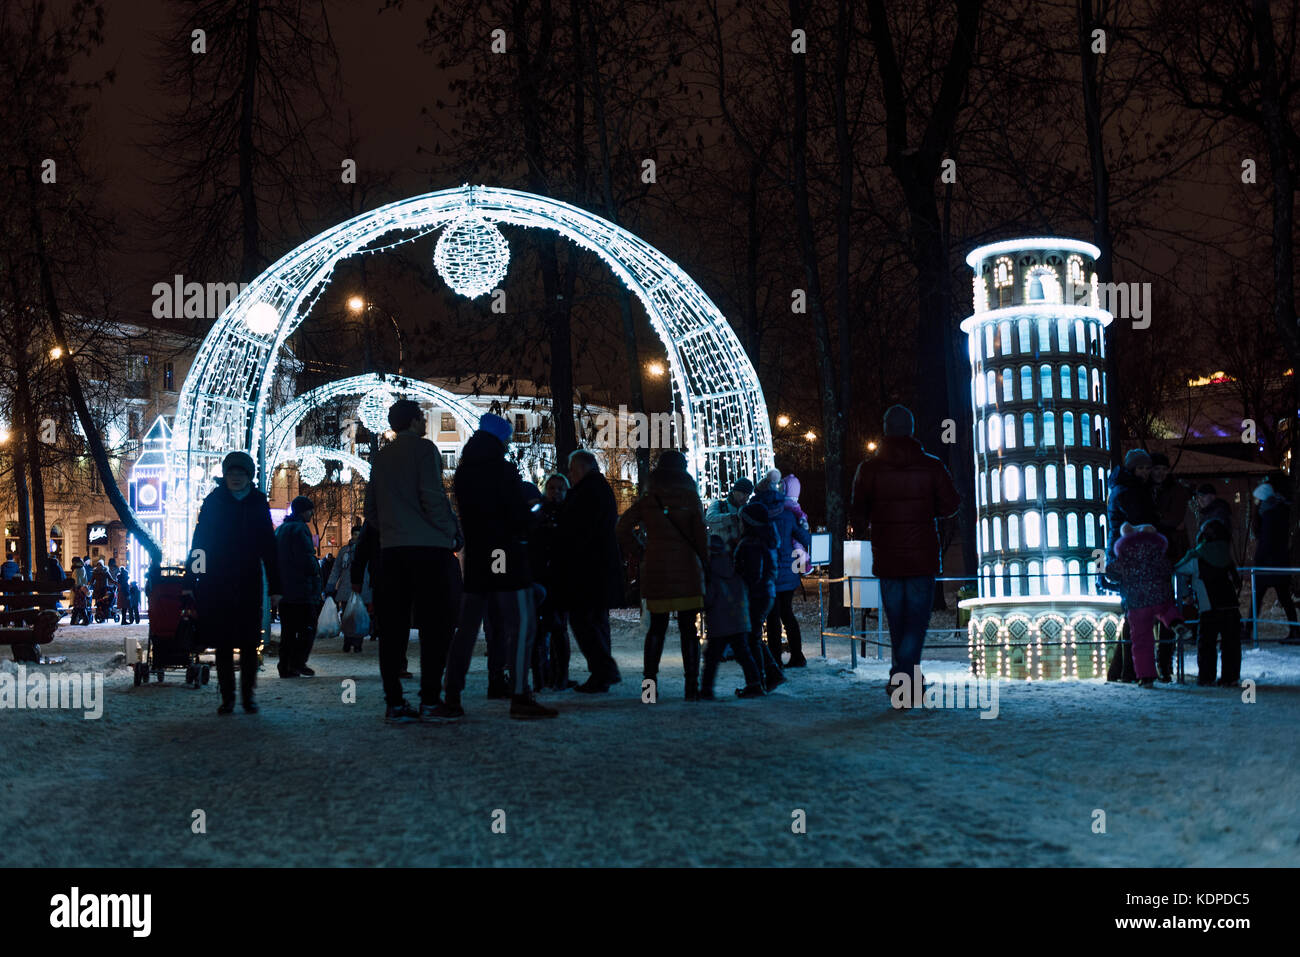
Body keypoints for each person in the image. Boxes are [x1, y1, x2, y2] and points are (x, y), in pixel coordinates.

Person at [443, 413, 556, 720]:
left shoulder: (465, 472)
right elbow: (516, 514)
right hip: (505, 554)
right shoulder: (502, 470)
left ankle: (451, 694)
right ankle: (520, 694)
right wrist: (533, 517)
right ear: (500, 439)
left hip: (480, 555)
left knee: (467, 627)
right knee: (521, 624)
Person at [850, 404, 961, 707]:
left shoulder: (869, 469)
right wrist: (928, 510)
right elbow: (951, 504)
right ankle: (908, 682)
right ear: (911, 429)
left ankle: (902, 680)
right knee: (915, 623)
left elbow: (857, 513)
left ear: (885, 430)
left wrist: (876, 519)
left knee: (898, 623)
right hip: (922, 557)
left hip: (887, 557)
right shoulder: (932, 466)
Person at [363, 399, 464, 724]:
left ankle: (394, 702)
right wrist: (452, 531)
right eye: (421, 417)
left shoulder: (381, 457)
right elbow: (432, 497)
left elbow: (371, 511)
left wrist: (393, 529)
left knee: (393, 629)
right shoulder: (424, 450)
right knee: (436, 626)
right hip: (429, 550)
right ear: (413, 421)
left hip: (392, 551)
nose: (424, 422)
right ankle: (430, 700)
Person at [187, 450, 282, 714]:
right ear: (225, 475)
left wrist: (275, 587)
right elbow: (200, 544)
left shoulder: (257, 502)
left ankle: (248, 696)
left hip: (249, 581)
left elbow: (268, 547)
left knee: (251, 642)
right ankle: (227, 697)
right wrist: (191, 579)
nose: (236, 478)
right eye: (232, 473)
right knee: (224, 642)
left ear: (248, 476)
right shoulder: (214, 501)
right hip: (217, 582)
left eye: (241, 473)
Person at [616, 449, 708, 701]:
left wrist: (640, 549)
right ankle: (691, 688)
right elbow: (701, 538)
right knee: (689, 629)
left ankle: (649, 690)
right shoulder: (690, 498)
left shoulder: (649, 499)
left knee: (656, 629)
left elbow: (622, 527)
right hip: (687, 570)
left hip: (656, 568)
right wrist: (707, 565)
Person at [558, 449, 625, 693]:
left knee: (583, 620)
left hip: (588, 570)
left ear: (584, 469)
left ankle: (604, 670)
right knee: (595, 621)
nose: (570, 475)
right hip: (598, 568)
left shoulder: (588, 491)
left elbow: (577, 530)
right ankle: (602, 674)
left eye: (573, 470)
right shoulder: (598, 489)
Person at [1103, 523, 1184, 689]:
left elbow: (1112, 572)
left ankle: (1146, 676)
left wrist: (1109, 573)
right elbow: (1168, 568)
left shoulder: (1126, 554)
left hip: (1137, 601)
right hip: (1159, 595)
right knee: (1166, 609)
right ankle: (1176, 622)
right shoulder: (1157, 551)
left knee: (1141, 640)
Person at [1105, 449, 1157, 682]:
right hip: (1129, 557)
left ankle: (1120, 671)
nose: (1145, 472)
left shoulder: (1127, 488)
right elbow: (1140, 518)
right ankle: (1128, 671)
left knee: (1133, 615)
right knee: (1136, 615)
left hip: (1129, 556)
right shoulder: (1128, 491)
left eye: (1147, 468)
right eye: (1141, 468)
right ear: (1132, 469)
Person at [1173, 519, 1242, 686]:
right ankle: (1230, 678)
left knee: (1206, 644)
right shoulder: (1226, 553)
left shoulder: (1198, 556)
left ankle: (1206, 676)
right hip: (1231, 605)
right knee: (1231, 644)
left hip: (1208, 606)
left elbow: (1179, 567)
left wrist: (1190, 554)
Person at [701, 534, 764, 699]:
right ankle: (755, 683)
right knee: (744, 654)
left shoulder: (711, 574)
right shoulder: (734, 569)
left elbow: (708, 599)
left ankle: (706, 689)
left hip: (720, 624)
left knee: (712, 658)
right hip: (740, 622)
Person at [734, 502, 784, 692]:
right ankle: (771, 673)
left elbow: (751, 574)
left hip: (756, 595)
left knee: (749, 638)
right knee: (753, 636)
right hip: (766, 593)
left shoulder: (752, 544)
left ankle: (758, 680)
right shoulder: (765, 540)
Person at [766, 472, 812, 668]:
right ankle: (797, 656)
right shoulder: (789, 515)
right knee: (787, 614)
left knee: (773, 617)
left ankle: (775, 658)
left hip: (770, 572)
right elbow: (805, 539)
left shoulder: (764, 513)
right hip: (789, 573)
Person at [275, 495, 322, 677]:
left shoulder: (281, 529)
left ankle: (285, 665)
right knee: (307, 627)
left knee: (288, 630)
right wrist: (315, 574)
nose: (312, 513)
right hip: (301, 589)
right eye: (310, 510)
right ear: (304, 511)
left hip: (284, 589)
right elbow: (306, 559)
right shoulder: (300, 529)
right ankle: (297, 662)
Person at [536, 473, 574, 690]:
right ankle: (544, 674)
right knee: (543, 629)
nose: (556, 492)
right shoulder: (539, 513)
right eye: (552, 488)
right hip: (543, 577)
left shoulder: (570, 514)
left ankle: (560, 675)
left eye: (560, 488)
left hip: (562, 578)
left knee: (559, 628)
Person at [1251, 481, 1300, 643]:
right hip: (1278, 562)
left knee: (1257, 596)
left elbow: (1266, 540)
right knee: (1284, 597)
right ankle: (1295, 629)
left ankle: (1249, 628)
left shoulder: (1269, 514)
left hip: (1268, 564)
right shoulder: (1278, 511)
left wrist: (1258, 559)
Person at [327, 520, 370, 652]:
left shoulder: (367, 551)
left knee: (359, 616)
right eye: (355, 534)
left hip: (362, 588)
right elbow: (336, 569)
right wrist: (331, 584)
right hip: (346, 588)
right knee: (346, 616)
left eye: (359, 534)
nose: (357, 537)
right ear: (352, 535)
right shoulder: (344, 551)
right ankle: (347, 640)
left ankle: (358, 643)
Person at [704, 476, 754, 549]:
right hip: (722, 551)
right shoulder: (718, 504)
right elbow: (709, 521)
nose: (745, 498)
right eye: (743, 493)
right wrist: (733, 518)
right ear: (734, 491)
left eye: (748, 495)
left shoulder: (747, 509)